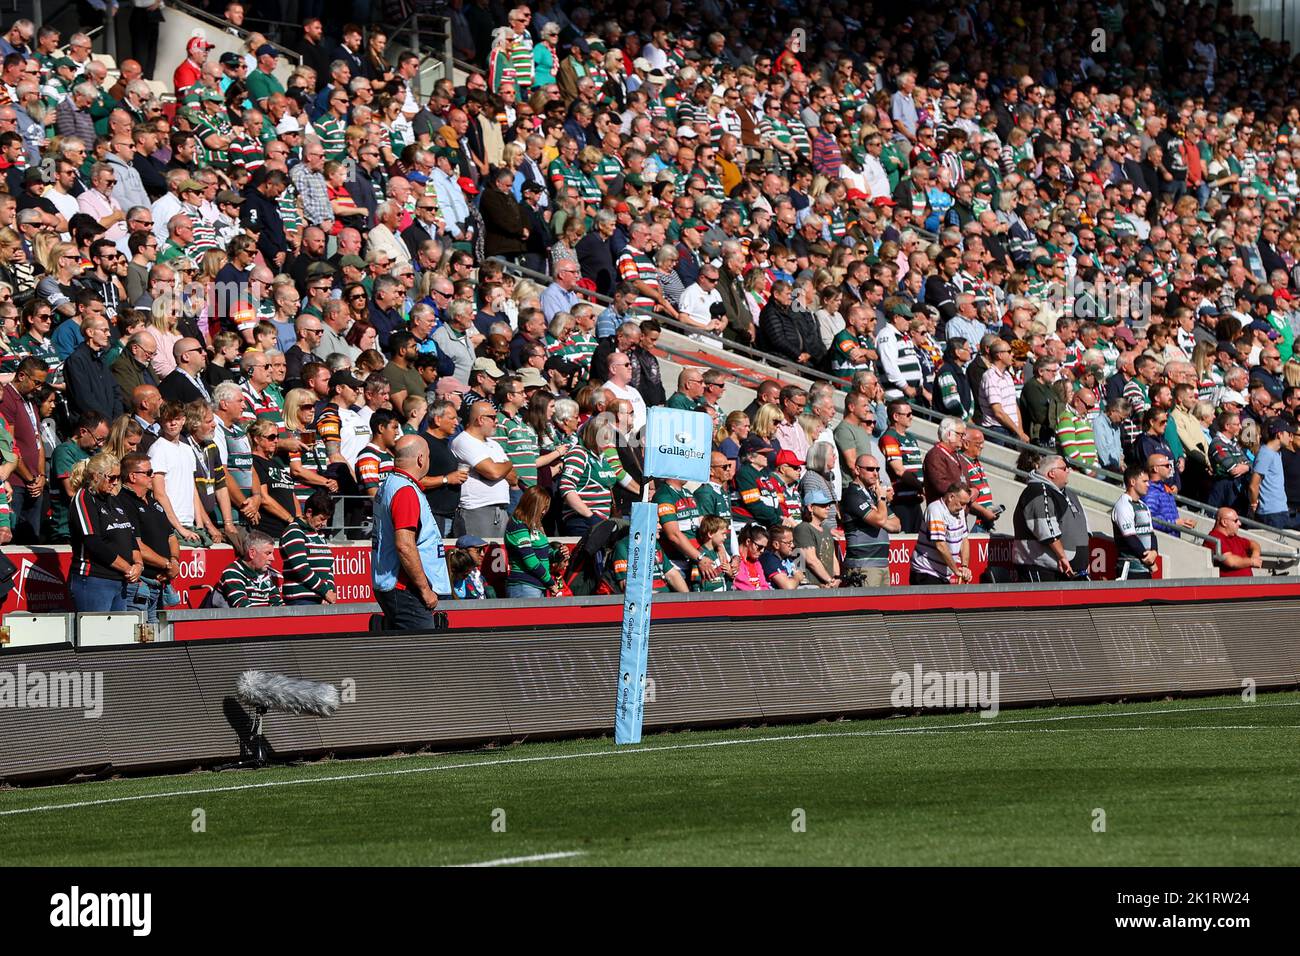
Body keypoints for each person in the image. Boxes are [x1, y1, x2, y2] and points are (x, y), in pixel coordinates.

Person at [372, 434, 452, 630]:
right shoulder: (405, 491)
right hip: (407, 588)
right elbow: (405, 545)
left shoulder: (390, 484)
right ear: (421, 459)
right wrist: (424, 589)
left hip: (396, 585)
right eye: (428, 456)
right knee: (421, 647)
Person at [67, 452, 142, 612]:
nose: (115, 482)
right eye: (111, 477)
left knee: (119, 628)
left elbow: (129, 536)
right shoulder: (84, 498)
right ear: (96, 476)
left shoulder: (113, 500)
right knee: (96, 628)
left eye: (118, 477)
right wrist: (127, 568)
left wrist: (138, 564)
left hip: (120, 579)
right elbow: (93, 541)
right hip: (94, 579)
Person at [117, 450, 180, 623]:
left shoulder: (154, 503)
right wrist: (167, 565)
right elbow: (135, 545)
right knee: (137, 636)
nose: (153, 476)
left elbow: (171, 537)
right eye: (149, 472)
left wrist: (174, 561)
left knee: (156, 636)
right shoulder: (123, 502)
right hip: (138, 586)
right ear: (133, 476)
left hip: (159, 585)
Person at [451, 401, 516, 537]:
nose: (496, 421)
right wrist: (509, 464)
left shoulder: (495, 444)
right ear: (480, 419)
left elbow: (513, 478)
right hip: (477, 510)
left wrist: (499, 468)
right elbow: (494, 472)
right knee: (479, 550)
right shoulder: (464, 441)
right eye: (493, 417)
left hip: (502, 510)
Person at [1011, 455, 1079, 582]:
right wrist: (1062, 556)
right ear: (1052, 473)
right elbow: (1047, 530)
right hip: (1038, 568)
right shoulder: (1038, 492)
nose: (1068, 471)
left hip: (1053, 569)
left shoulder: (1054, 492)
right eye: (1064, 468)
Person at [839, 455, 898, 588]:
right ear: (857, 470)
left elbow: (897, 525)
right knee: (866, 603)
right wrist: (881, 500)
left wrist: (880, 518)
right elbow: (880, 520)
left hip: (882, 564)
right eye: (870, 469)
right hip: (863, 566)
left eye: (877, 469)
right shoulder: (852, 494)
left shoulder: (873, 494)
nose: (875, 473)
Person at [910, 481, 973, 586]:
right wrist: (956, 570)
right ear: (951, 497)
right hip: (926, 572)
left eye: (966, 504)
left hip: (942, 574)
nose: (964, 508)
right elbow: (940, 545)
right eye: (962, 503)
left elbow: (964, 539)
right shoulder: (935, 509)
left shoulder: (960, 511)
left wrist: (964, 566)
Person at [280, 490, 338, 605]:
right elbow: (301, 568)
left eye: (327, 519)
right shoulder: (294, 531)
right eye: (322, 519)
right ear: (309, 513)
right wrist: (325, 591)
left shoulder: (319, 534)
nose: (325, 524)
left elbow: (329, 568)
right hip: (300, 600)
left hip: (321, 599)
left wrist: (330, 591)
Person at [503, 485, 554, 598]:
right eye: (542, 508)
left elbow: (547, 552)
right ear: (532, 505)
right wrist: (550, 582)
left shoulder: (536, 525)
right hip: (524, 586)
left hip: (539, 585)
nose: (544, 512)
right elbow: (530, 560)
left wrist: (559, 554)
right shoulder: (517, 525)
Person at [1112, 464, 1159, 580]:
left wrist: (1154, 552)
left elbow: (1151, 533)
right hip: (1130, 569)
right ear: (1132, 482)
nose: (1148, 484)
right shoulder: (1123, 505)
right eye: (1144, 481)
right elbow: (1130, 538)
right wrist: (1150, 560)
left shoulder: (1143, 506)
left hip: (1144, 568)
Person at [1248, 417, 1295, 529]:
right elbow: (1253, 485)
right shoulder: (1265, 453)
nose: (1291, 438)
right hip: (1270, 513)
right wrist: (1254, 505)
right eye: (1288, 434)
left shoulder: (1277, 453)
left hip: (1280, 511)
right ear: (1279, 434)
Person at [218, 530, 284, 607]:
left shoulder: (270, 573)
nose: (272, 558)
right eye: (268, 553)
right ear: (252, 553)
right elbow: (243, 608)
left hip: (262, 614)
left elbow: (277, 606)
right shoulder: (232, 573)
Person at [793, 488, 839, 588]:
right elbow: (811, 560)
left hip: (829, 585)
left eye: (828, 505)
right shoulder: (803, 528)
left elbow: (833, 557)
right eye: (823, 505)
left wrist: (836, 578)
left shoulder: (826, 529)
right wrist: (829, 580)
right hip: (811, 587)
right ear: (811, 508)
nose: (828, 508)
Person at [1205, 507, 1263, 578]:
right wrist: (1252, 561)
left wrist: (1255, 555)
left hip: (1247, 583)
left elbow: (1254, 544)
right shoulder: (1214, 538)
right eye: (1236, 521)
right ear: (1224, 522)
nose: (1239, 523)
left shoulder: (1233, 537)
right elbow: (1231, 561)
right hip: (1231, 584)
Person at [732, 523, 772, 591]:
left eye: (764, 548)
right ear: (748, 541)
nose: (762, 551)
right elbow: (744, 586)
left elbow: (764, 585)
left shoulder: (756, 563)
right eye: (760, 547)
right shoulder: (736, 561)